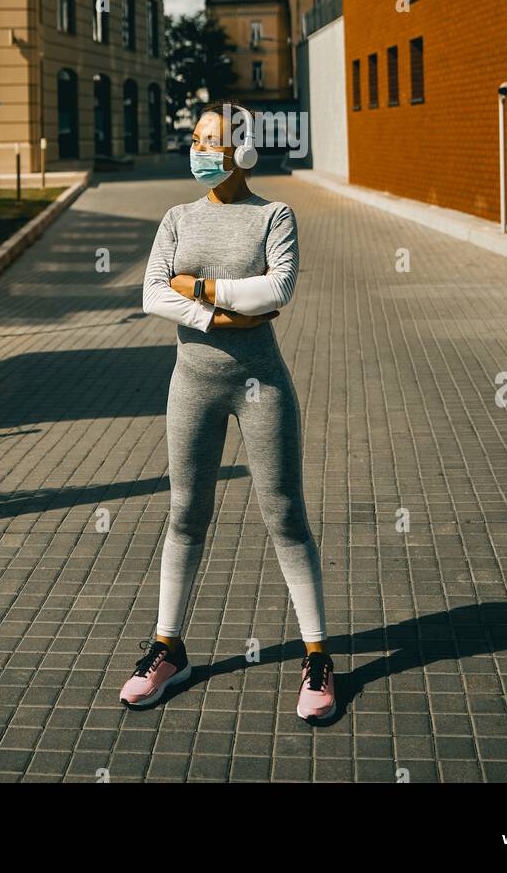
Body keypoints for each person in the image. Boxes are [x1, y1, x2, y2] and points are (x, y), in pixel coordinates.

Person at [119, 100, 336, 723]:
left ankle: (317, 654)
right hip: (191, 384)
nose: (200, 149)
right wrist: (221, 314)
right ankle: (168, 649)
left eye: (212, 140)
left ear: (242, 150)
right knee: (185, 513)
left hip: (260, 385)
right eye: (196, 137)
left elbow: (278, 290)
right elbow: (151, 293)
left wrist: (201, 286)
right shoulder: (177, 217)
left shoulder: (274, 215)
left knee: (285, 514)